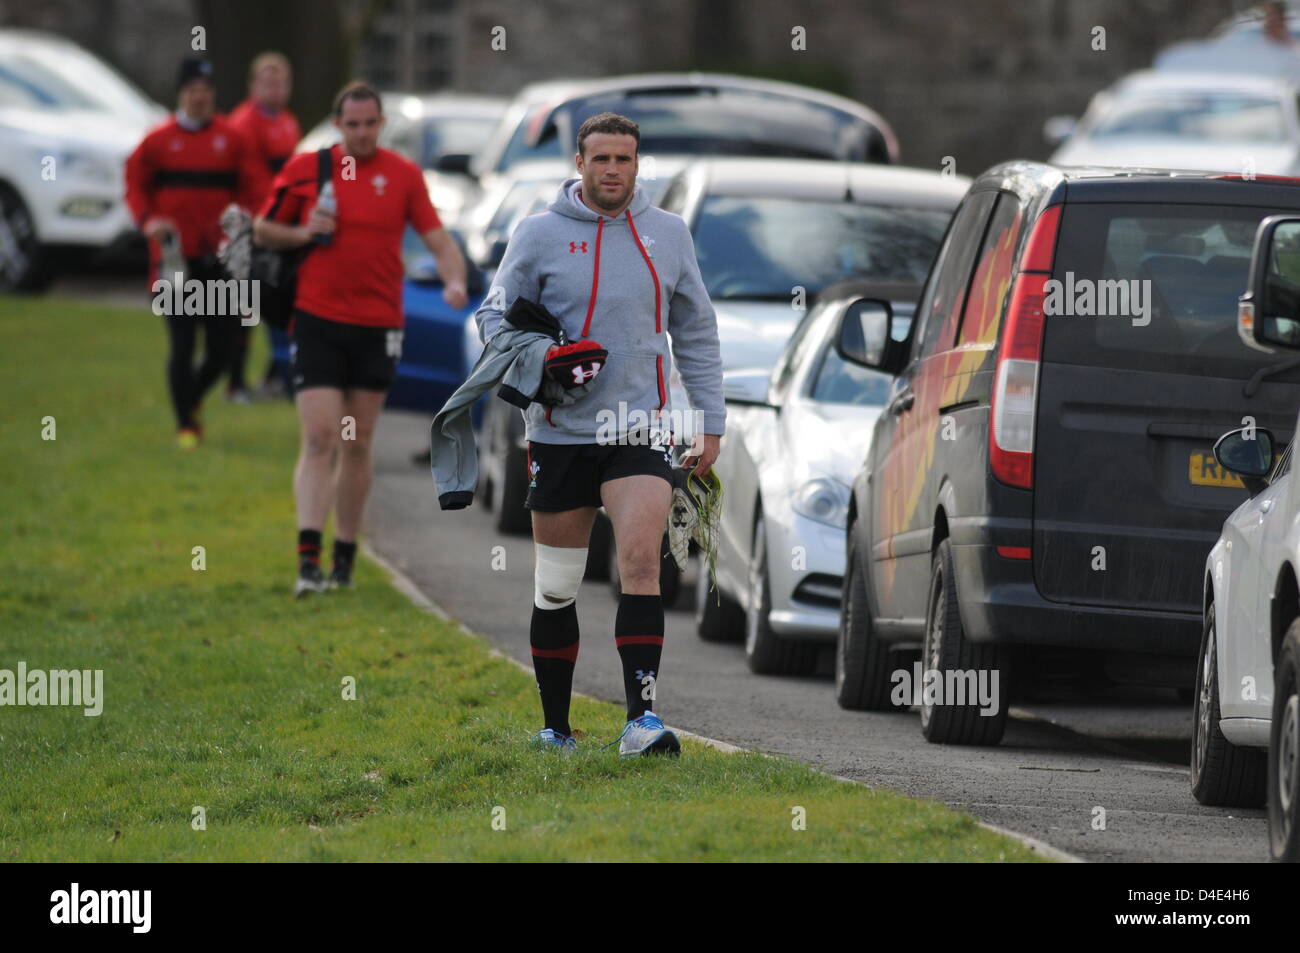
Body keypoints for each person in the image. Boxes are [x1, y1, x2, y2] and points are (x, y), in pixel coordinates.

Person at [471, 112, 725, 757]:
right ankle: (556, 729)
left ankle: (642, 721)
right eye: (602, 159)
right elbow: (491, 316)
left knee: (641, 564)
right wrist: (538, 356)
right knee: (557, 584)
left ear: (638, 166)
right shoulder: (537, 234)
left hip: (641, 425)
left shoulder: (668, 234)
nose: (614, 170)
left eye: (626, 160)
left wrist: (711, 421)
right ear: (579, 164)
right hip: (558, 433)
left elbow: (695, 330)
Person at [253, 81, 468, 597]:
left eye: (371, 123)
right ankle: (308, 559)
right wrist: (304, 230)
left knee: (357, 441)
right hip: (317, 319)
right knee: (321, 435)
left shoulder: (403, 175)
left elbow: (438, 238)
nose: (363, 133)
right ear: (338, 125)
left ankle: (344, 556)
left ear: (381, 124)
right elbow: (262, 229)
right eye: (353, 125)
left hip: (377, 326)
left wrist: (456, 280)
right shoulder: (309, 168)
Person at [124, 56, 262, 449]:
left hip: (220, 261)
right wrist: (148, 220)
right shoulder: (157, 141)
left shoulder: (233, 140)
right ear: (181, 94)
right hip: (174, 261)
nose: (200, 98)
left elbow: (254, 191)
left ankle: (193, 397)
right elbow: (135, 187)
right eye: (192, 91)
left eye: (206, 91)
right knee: (182, 344)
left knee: (222, 350)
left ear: (213, 95)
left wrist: (243, 222)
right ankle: (186, 425)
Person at [225, 51, 302, 403]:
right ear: (254, 85)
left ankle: (276, 375)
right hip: (250, 228)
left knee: (277, 301)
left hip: (277, 227)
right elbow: (255, 182)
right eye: (268, 82)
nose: (275, 89)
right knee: (245, 306)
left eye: (281, 82)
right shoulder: (243, 124)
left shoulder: (288, 122)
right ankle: (235, 383)